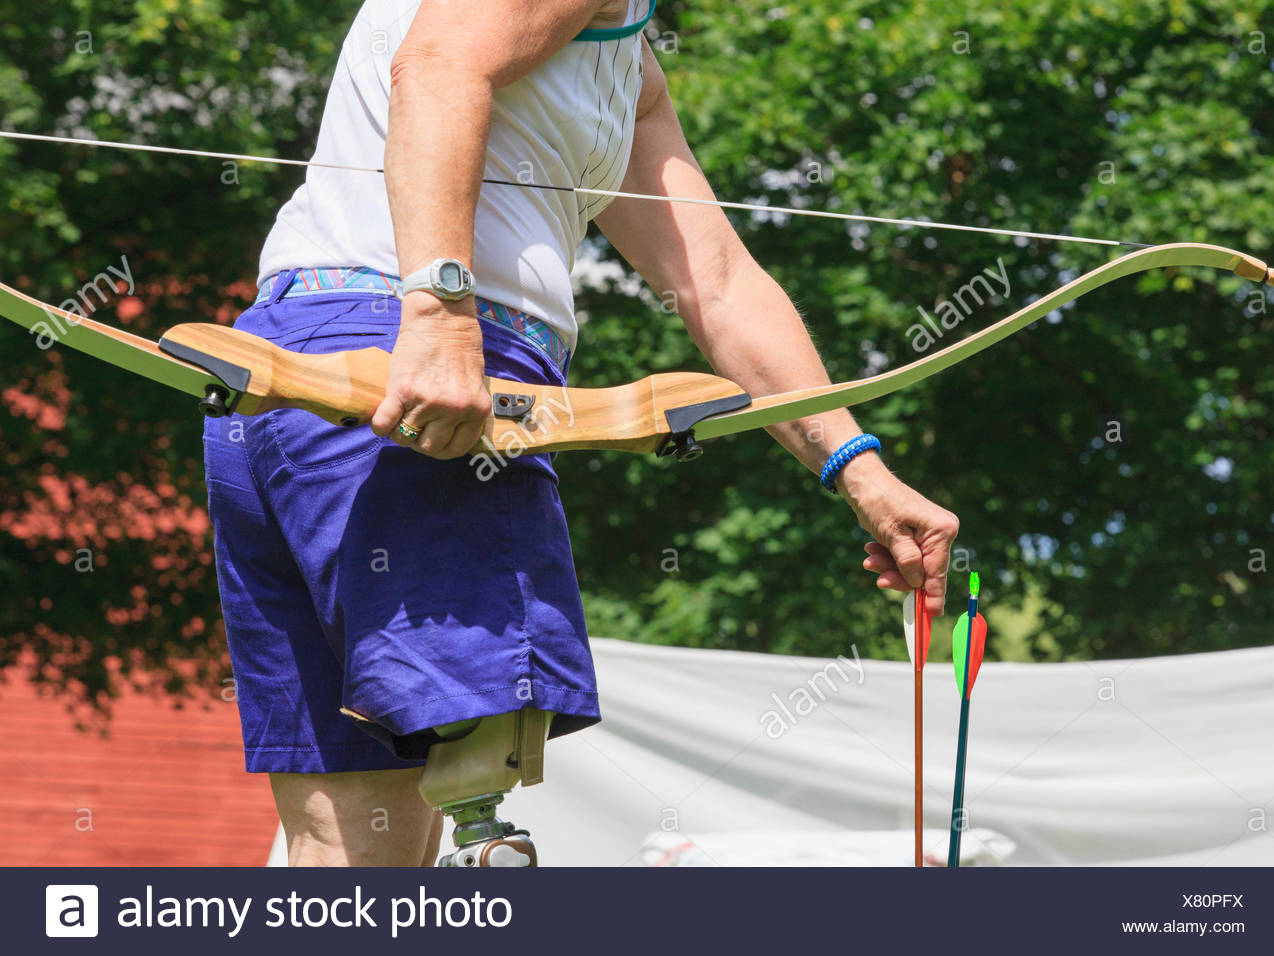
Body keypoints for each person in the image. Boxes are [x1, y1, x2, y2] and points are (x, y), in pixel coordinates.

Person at [202, 0, 959, 866]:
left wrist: (864, 474)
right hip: (423, 378)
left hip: (287, 388)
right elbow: (438, 67)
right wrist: (443, 319)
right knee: (454, 804)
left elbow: (713, 281)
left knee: (351, 837)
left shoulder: (627, 68)